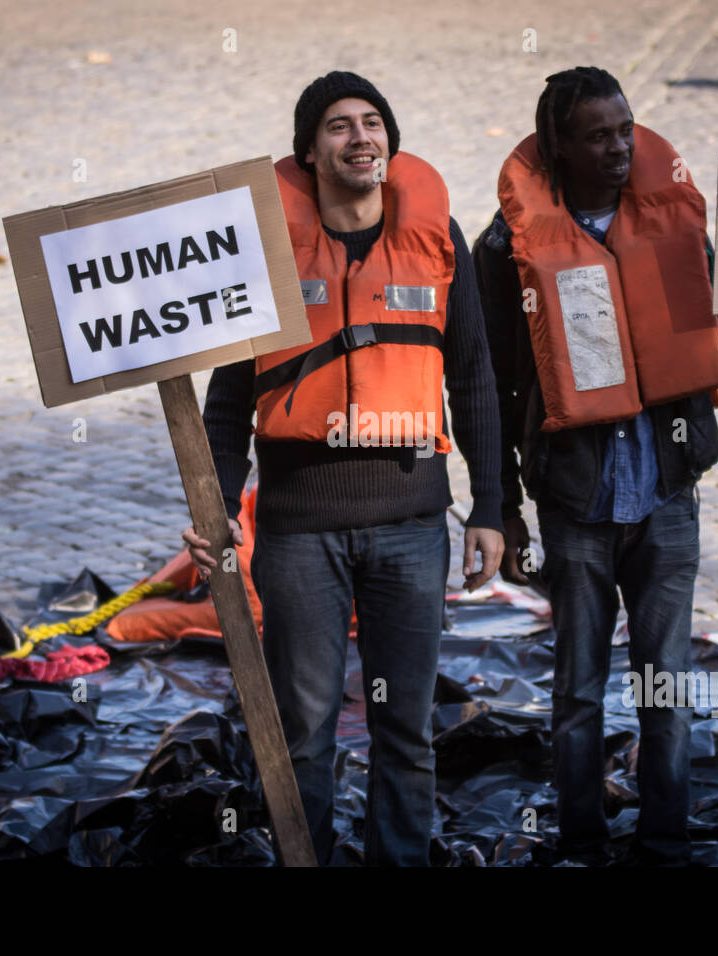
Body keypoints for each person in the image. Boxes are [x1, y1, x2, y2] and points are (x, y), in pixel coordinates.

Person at [473, 67, 718, 865]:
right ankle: (581, 841)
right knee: (577, 692)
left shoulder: (676, 229)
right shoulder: (507, 250)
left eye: (626, 129)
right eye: (598, 135)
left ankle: (666, 843)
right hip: (574, 506)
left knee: (667, 687)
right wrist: (500, 505)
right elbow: (489, 389)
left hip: (668, 501)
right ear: (557, 148)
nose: (619, 147)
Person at [183, 71, 504, 866]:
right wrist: (220, 502)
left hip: (411, 523)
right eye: (338, 126)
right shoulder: (268, 254)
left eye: (372, 123)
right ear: (308, 150)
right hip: (298, 533)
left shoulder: (437, 239)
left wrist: (492, 506)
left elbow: (473, 378)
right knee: (303, 731)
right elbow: (228, 401)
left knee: (407, 728)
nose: (360, 137)